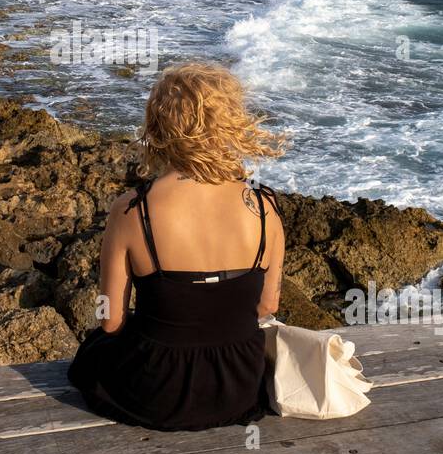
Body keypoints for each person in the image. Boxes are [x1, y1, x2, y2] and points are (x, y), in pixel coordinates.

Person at [68, 62, 286, 431]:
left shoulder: (134, 209)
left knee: (92, 355)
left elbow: (111, 321)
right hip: (237, 387)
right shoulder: (264, 207)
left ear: (157, 128)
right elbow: (268, 306)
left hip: (156, 391)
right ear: (230, 124)